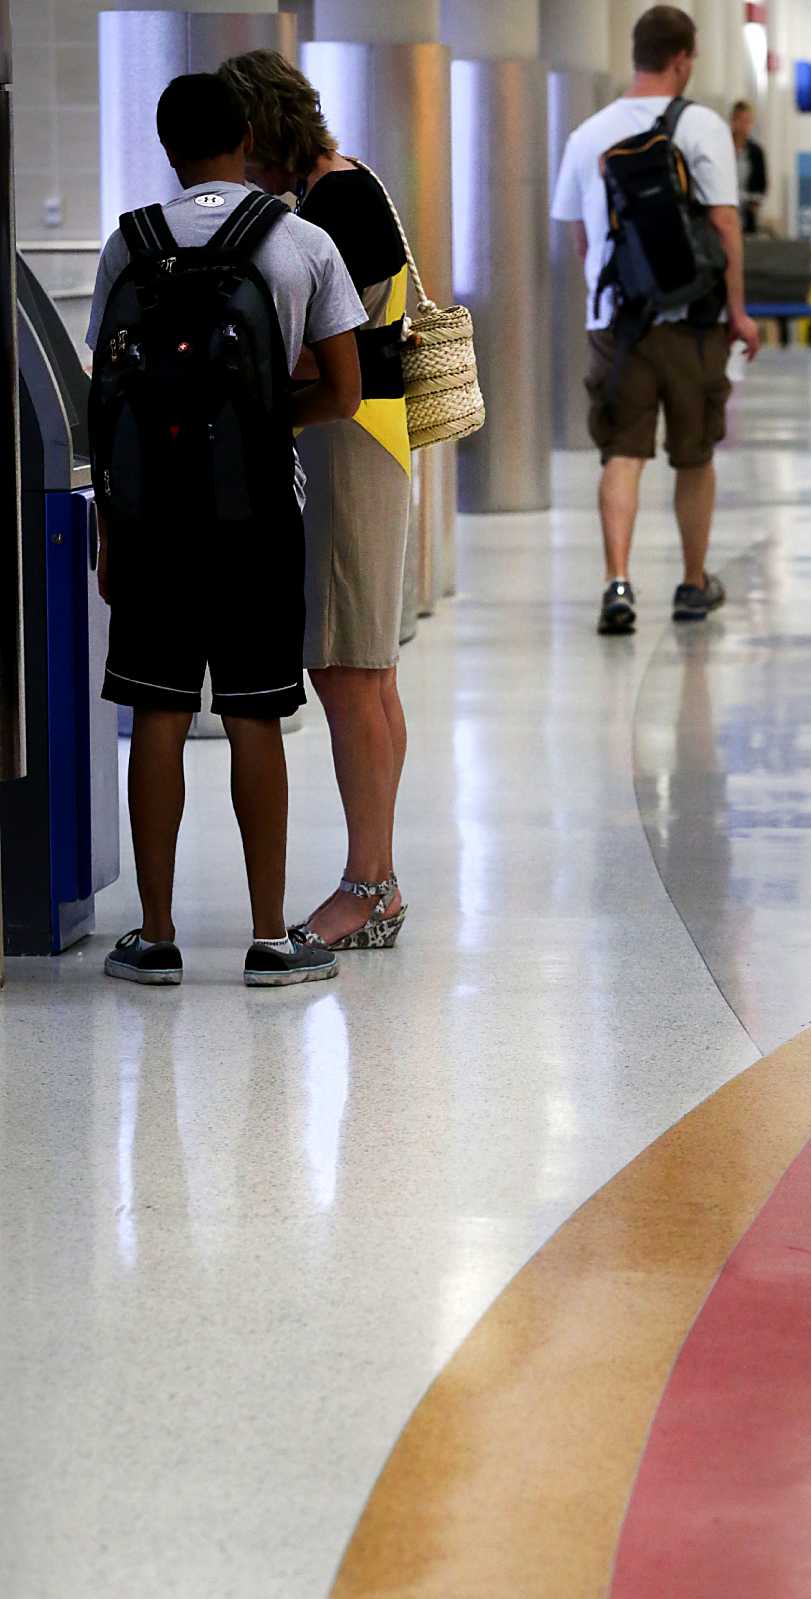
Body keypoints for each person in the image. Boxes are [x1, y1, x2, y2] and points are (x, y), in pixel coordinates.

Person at [87, 73, 363, 988]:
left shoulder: (127, 245)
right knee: (254, 714)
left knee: (158, 711)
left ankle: (156, 935)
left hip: (151, 514)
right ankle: (268, 936)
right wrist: (271, 420)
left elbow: (107, 391)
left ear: (167, 148)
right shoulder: (302, 242)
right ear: (248, 135)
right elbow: (347, 390)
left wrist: (111, 532)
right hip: (257, 515)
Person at [220, 50, 412, 950]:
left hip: (349, 444)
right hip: (372, 442)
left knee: (346, 670)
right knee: (369, 673)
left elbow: (316, 354)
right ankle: (381, 876)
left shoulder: (329, 209)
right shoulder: (354, 181)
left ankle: (365, 887)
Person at [551, 5, 760, 635]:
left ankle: (617, 582)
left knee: (622, 452)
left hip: (617, 323)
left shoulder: (589, 133)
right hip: (692, 321)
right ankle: (694, 585)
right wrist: (740, 312)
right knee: (693, 456)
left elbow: (584, 239)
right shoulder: (701, 126)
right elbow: (724, 224)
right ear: (683, 59)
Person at [732, 100, 767, 235]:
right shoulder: (722, 147)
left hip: (747, 215)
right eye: (742, 120)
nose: (745, 125)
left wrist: (753, 203)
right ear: (733, 121)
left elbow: (761, 185)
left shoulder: (756, 152)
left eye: (748, 121)